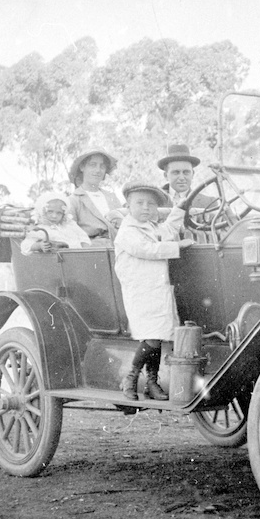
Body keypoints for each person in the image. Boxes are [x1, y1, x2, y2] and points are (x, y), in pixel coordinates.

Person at [114, 182, 195, 402]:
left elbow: (168, 230)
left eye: (151, 204)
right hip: (140, 291)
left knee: (157, 336)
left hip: (156, 291)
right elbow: (146, 249)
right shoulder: (128, 231)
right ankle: (130, 378)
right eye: (139, 203)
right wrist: (178, 247)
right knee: (151, 337)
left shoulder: (151, 227)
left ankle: (151, 381)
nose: (146, 208)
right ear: (128, 206)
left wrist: (179, 209)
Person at [67, 149, 124, 243]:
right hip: (92, 252)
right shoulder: (73, 200)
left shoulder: (112, 197)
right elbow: (71, 236)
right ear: (82, 167)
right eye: (92, 165)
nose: (98, 170)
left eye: (102, 166)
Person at [21, 192, 91, 254]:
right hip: (57, 262)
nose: (54, 216)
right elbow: (26, 245)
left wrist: (84, 251)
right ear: (43, 212)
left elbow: (83, 237)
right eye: (50, 212)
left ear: (64, 214)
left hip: (78, 257)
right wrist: (39, 245)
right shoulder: (40, 229)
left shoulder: (70, 225)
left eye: (59, 213)